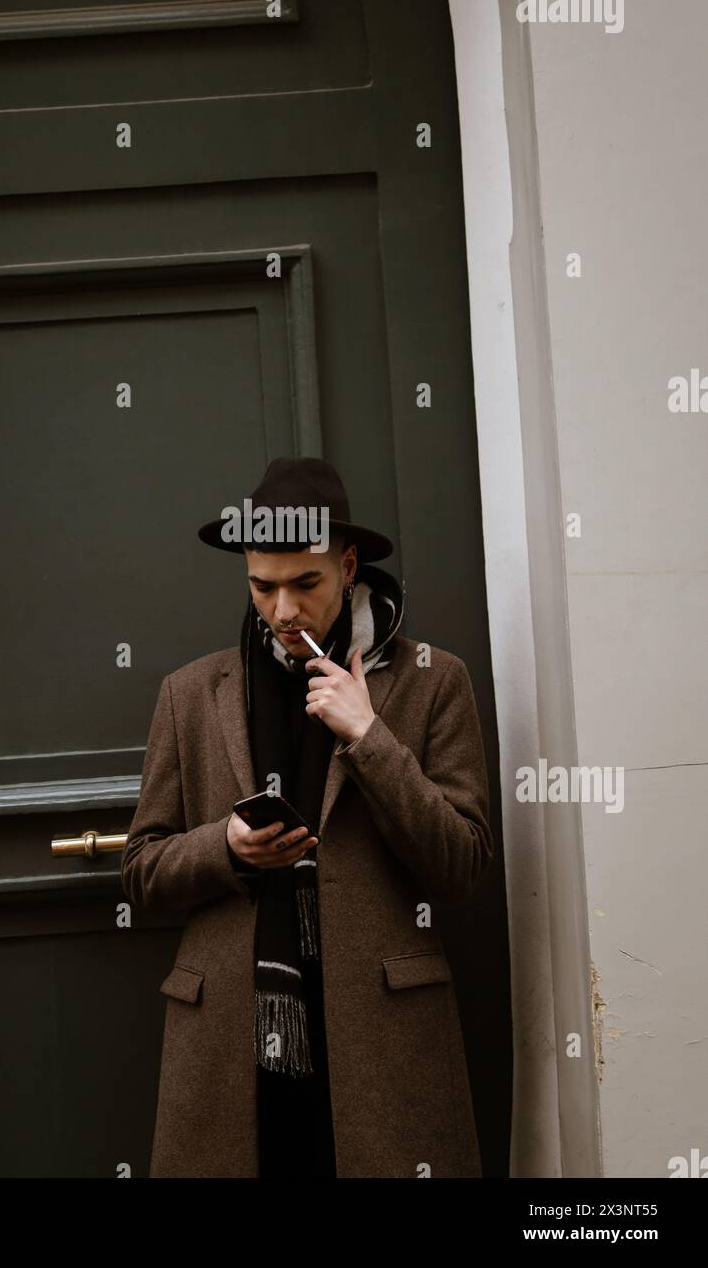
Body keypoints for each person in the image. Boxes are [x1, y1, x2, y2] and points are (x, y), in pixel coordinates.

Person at [121, 457, 494, 1178]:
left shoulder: (432, 682)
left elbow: (462, 865)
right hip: (232, 1042)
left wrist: (369, 738)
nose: (284, 610)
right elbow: (142, 871)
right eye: (263, 586)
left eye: (306, 583)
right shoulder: (191, 694)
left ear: (349, 566)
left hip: (378, 1039)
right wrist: (226, 847)